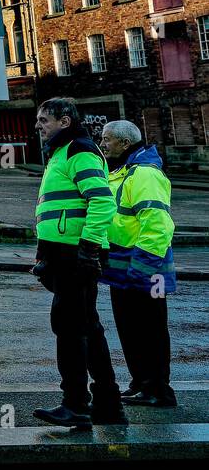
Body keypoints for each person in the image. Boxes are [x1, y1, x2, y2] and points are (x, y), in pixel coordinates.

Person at [30, 97, 125, 429]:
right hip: (65, 252)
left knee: (69, 329)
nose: (38, 125)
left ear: (65, 121)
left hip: (74, 254)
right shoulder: (62, 152)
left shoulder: (78, 150)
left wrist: (87, 247)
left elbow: (101, 200)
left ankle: (75, 404)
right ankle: (108, 405)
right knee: (87, 328)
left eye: (44, 120)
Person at [99, 120, 176, 408]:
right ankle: (140, 383)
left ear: (125, 143)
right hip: (123, 268)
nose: (103, 144)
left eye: (107, 139)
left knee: (150, 330)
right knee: (130, 329)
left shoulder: (144, 173)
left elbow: (157, 225)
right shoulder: (123, 171)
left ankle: (158, 389)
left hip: (146, 270)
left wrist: (141, 270)